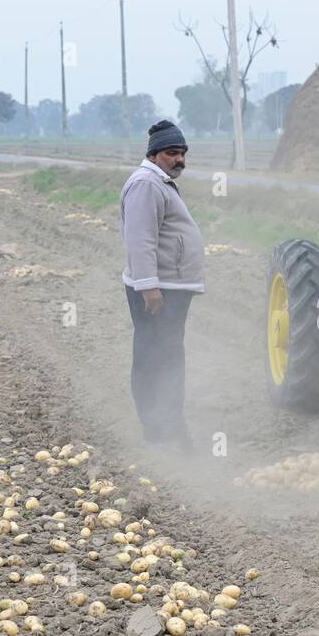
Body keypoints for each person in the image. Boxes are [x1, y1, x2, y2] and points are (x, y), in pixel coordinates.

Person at [119, 120, 205, 449]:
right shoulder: (146, 184)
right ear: (154, 155)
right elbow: (139, 240)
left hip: (170, 287)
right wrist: (149, 287)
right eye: (172, 153)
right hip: (159, 290)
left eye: (183, 153)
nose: (179, 159)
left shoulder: (158, 181)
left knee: (167, 355)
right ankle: (160, 432)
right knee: (156, 357)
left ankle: (169, 427)